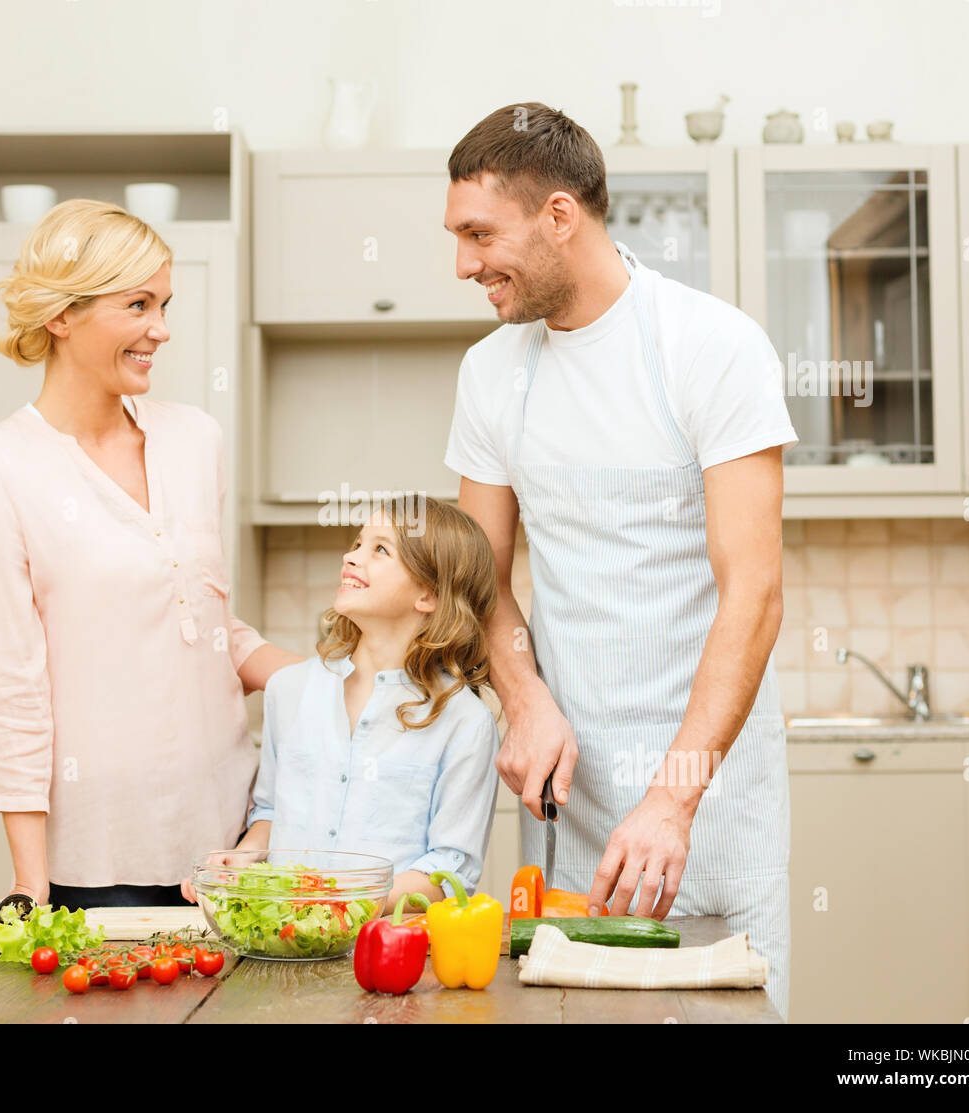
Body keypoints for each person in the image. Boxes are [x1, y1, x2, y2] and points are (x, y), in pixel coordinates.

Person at [442, 104, 798, 1018]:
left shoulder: (711, 347)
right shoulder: (491, 372)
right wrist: (521, 697)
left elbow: (753, 595)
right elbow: (478, 576)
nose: (464, 264)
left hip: (705, 802)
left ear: (561, 216)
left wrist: (674, 799)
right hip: (569, 802)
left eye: (481, 234)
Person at [0, 199, 301, 938]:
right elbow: (11, 687)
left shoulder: (194, 439)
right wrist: (30, 883)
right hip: (98, 864)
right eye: (138, 304)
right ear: (62, 316)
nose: (161, 329)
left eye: (164, 304)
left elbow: (206, 623)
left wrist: (322, 682)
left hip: (234, 850)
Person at [181, 494, 501, 910]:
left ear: (428, 594)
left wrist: (341, 900)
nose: (351, 558)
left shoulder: (466, 722)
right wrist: (243, 857)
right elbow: (271, 812)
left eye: (380, 549)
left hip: (388, 953)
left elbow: (448, 872)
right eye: (357, 544)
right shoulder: (289, 690)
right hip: (285, 940)